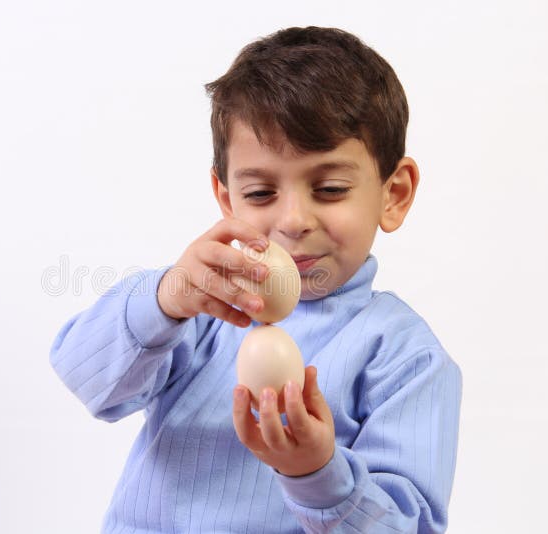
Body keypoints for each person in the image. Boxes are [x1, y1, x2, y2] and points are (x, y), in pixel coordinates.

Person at [50, 26, 462, 533]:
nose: (293, 220)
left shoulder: (405, 357)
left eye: (330, 189)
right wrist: (165, 299)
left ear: (393, 194)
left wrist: (315, 473)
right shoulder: (203, 306)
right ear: (226, 198)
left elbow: (409, 527)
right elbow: (87, 380)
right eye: (262, 193)